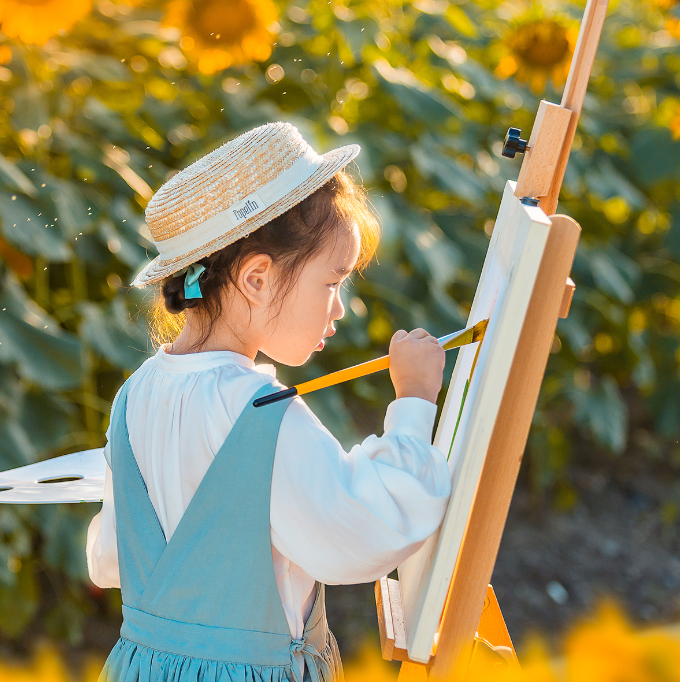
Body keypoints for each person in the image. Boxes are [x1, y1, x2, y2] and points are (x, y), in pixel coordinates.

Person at [86, 121, 452, 682]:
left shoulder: (134, 394)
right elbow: (358, 531)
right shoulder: (259, 411)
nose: (339, 308)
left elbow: (110, 558)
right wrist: (414, 404)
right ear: (256, 278)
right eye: (332, 282)